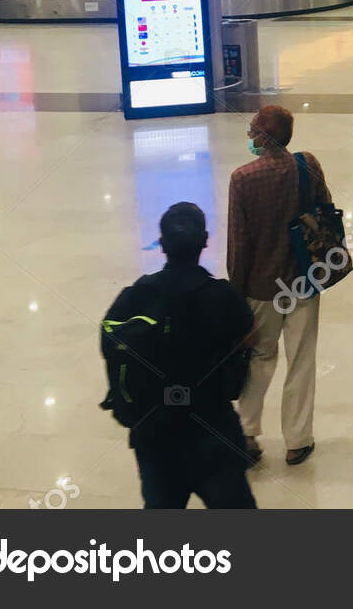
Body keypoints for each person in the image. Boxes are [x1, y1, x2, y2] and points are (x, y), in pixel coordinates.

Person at [102, 202, 257, 508]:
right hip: (213, 431)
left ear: (161, 245)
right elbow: (248, 339)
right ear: (205, 241)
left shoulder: (135, 297)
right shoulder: (223, 297)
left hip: (155, 438)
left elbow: (112, 349)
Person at [227, 105, 331, 467]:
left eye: (253, 129)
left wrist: (235, 295)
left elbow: (239, 245)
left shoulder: (243, 179)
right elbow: (326, 210)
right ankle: (298, 440)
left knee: (259, 358)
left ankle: (248, 435)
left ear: (263, 136)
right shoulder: (308, 165)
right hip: (305, 280)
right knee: (301, 359)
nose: (249, 135)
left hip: (260, 287)